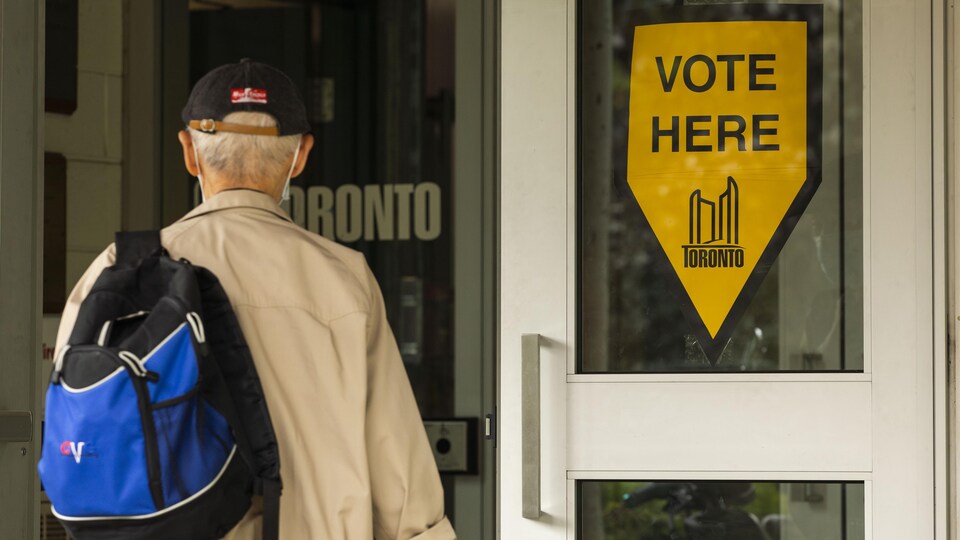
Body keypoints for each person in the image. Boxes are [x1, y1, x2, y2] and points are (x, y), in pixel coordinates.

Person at [55, 59, 457, 540]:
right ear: (300, 156)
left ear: (189, 151)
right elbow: (400, 476)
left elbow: (78, 428)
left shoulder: (121, 268)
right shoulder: (344, 278)